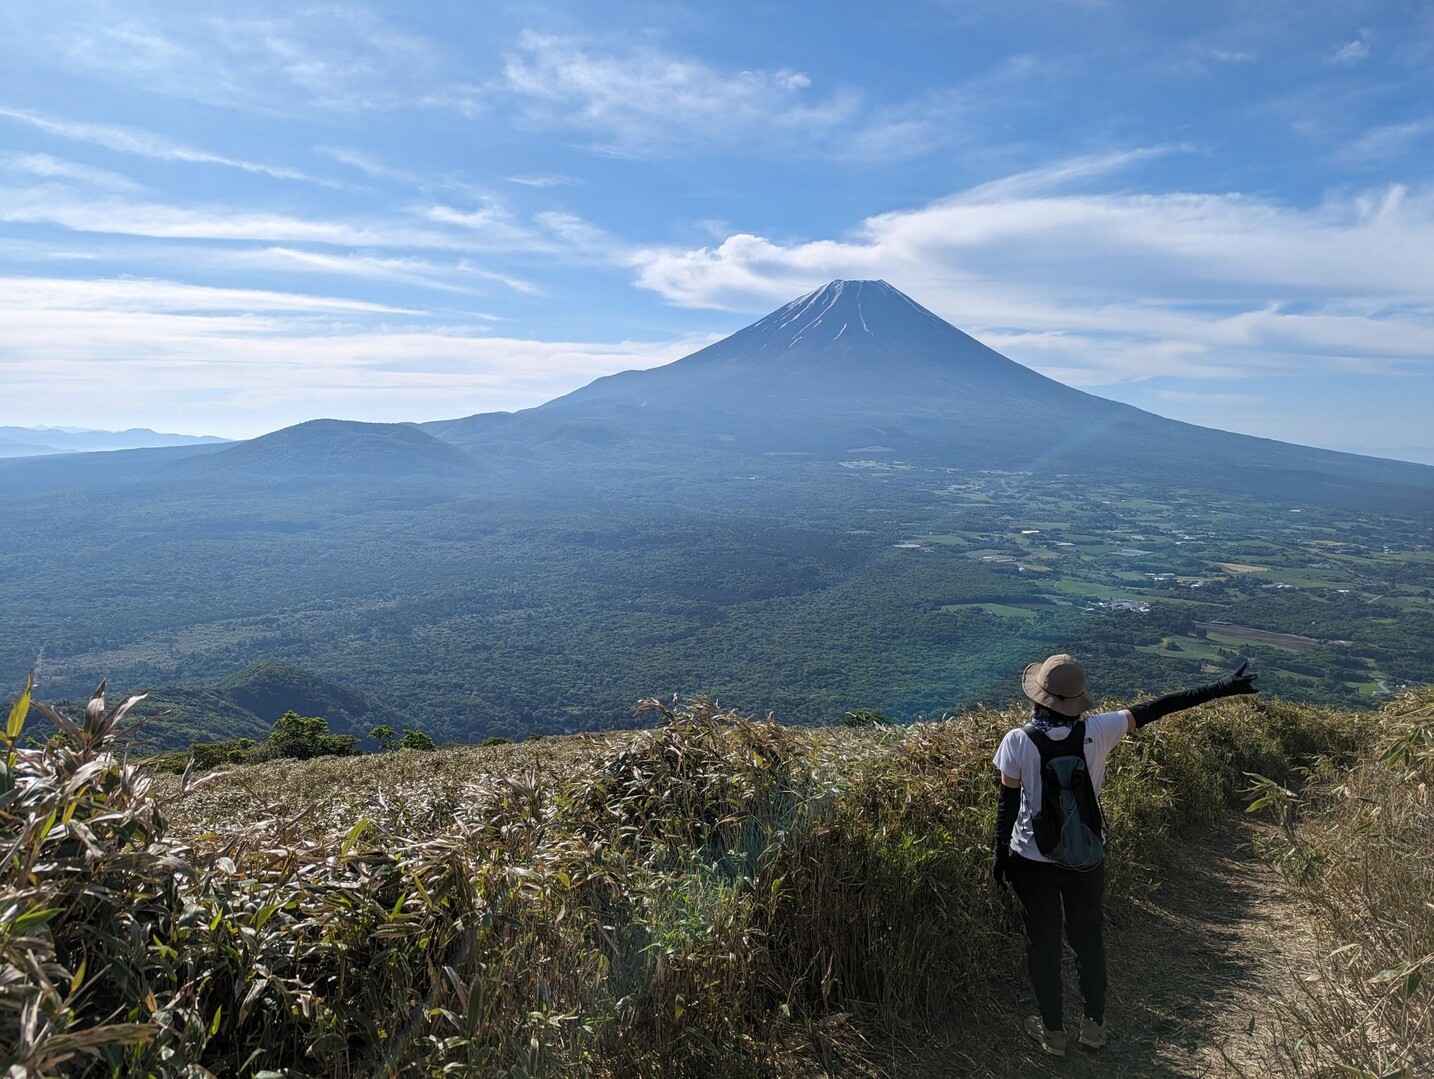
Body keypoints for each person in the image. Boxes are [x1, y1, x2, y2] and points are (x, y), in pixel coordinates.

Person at [990, 653, 1258, 1056]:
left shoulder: (1017, 740)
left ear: (1039, 698)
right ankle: (1093, 1027)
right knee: (1088, 941)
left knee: (1042, 946)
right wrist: (1223, 687)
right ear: (1078, 699)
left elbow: (1007, 805)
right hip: (1087, 858)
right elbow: (1161, 707)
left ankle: (1053, 1034)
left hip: (1033, 861)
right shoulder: (1100, 729)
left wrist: (1000, 857)